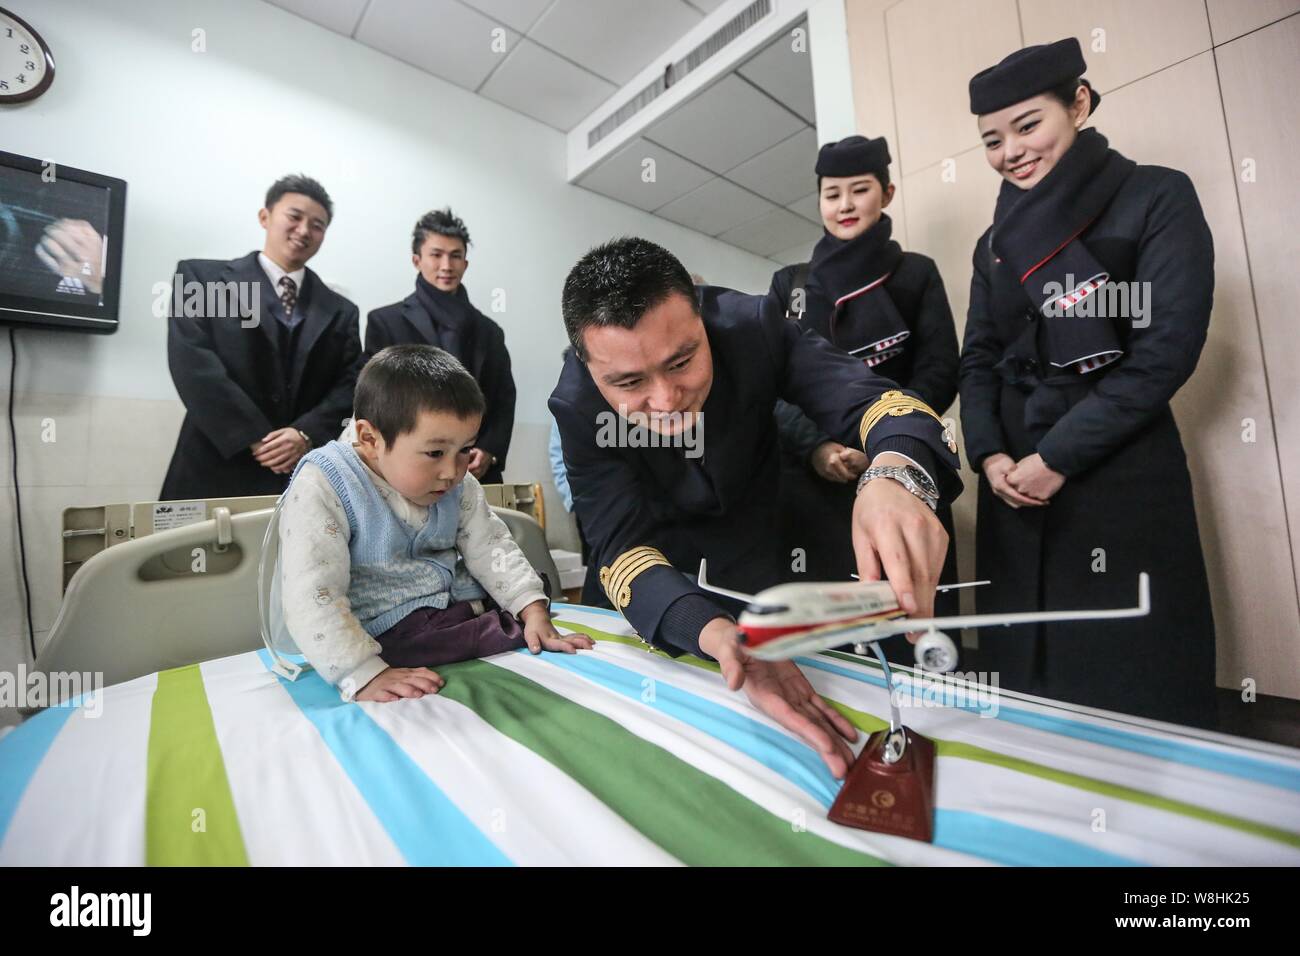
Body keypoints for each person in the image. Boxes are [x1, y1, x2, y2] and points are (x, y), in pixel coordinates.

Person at [550, 237, 962, 777]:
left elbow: (877, 403)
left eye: (682, 362)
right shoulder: (576, 405)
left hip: (756, 553)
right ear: (588, 366)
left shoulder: (753, 325)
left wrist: (896, 473)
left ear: (701, 317)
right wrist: (711, 630)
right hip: (659, 590)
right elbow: (620, 547)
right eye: (628, 383)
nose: (667, 400)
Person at [960, 37, 1217, 727]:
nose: (1010, 150)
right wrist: (989, 456)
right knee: (1027, 669)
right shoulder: (993, 243)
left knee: (1132, 670)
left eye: (1027, 125)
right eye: (991, 139)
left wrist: (1058, 459)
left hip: (1116, 468)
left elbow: (1165, 349)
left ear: (1078, 103)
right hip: (1012, 477)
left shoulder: (1154, 195)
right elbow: (977, 356)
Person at [278, 345, 592, 703]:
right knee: (422, 636)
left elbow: (491, 547)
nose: (453, 471)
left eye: (465, 450)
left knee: (528, 589)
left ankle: (504, 616)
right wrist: (362, 674)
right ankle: (492, 623)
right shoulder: (325, 483)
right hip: (388, 625)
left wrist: (532, 609)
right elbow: (312, 594)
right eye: (435, 453)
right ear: (370, 438)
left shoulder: (458, 481)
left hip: (450, 605)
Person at [768, 135, 960, 636]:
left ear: (888, 192)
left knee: (911, 618)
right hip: (815, 476)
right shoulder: (790, 284)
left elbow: (940, 371)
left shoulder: (915, 274)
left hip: (904, 461)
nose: (845, 205)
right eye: (832, 194)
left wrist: (886, 446)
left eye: (860, 190)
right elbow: (776, 386)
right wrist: (818, 447)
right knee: (830, 630)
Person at [160, 174, 363, 500]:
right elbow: (192, 361)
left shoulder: (341, 310)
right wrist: (254, 436)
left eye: (317, 225)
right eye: (294, 217)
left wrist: (304, 434)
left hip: (300, 472)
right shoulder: (204, 279)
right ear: (265, 217)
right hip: (214, 464)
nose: (303, 231)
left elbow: (350, 384)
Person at [365, 208, 515, 484]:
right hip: (408, 472)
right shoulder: (386, 321)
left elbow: (504, 397)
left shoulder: (489, 331)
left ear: (465, 263)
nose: (446, 265)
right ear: (416, 260)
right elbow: (377, 400)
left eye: (455, 255)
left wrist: (489, 451)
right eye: (436, 254)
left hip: (474, 469)